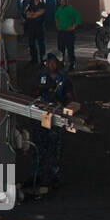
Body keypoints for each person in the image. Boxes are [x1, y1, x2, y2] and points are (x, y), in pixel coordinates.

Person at [29, 54, 74, 191]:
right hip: (43, 114)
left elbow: (70, 98)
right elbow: (34, 93)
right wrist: (41, 90)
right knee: (39, 145)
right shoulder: (42, 77)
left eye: (54, 62)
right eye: (50, 62)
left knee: (55, 147)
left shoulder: (64, 79)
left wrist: (61, 101)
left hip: (57, 115)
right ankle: (37, 174)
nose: (52, 65)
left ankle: (54, 176)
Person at [54, 0, 81, 70]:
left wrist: (74, 26)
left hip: (69, 32)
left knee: (70, 49)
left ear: (66, 2)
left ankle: (72, 63)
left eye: (63, 1)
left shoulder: (70, 9)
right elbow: (56, 17)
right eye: (61, 1)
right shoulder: (59, 9)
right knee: (60, 48)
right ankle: (62, 62)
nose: (61, 3)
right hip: (61, 32)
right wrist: (57, 24)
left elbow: (78, 16)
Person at [21, 0, 47, 64]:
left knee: (41, 43)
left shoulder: (42, 4)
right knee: (31, 43)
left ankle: (42, 58)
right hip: (31, 27)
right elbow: (27, 14)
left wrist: (33, 14)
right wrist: (34, 14)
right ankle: (34, 59)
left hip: (39, 27)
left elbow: (39, 13)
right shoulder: (30, 4)